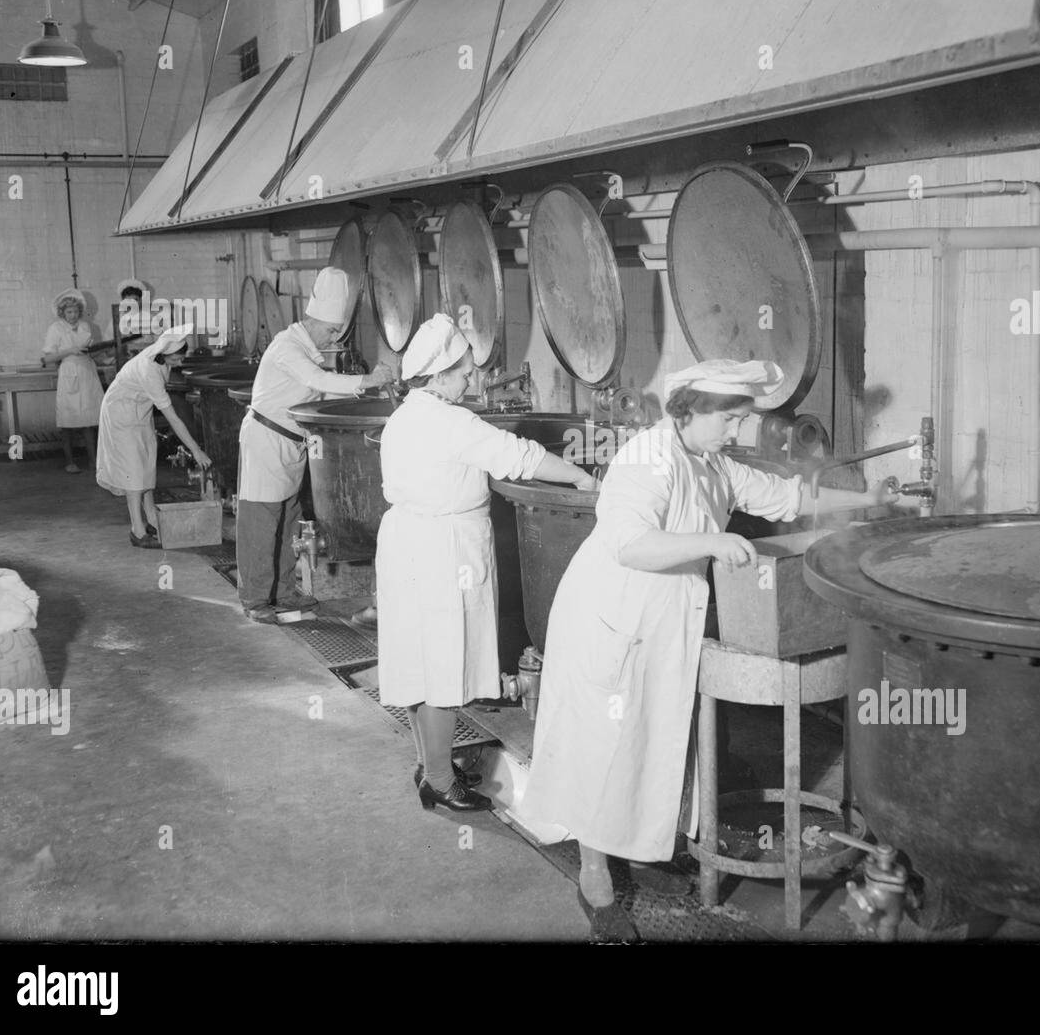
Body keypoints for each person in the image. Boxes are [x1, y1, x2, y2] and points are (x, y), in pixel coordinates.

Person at [520, 359, 894, 940]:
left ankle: (641, 853)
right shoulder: (647, 457)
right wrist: (714, 541)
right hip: (616, 614)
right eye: (731, 419)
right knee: (608, 745)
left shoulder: (711, 460)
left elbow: (786, 496)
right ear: (689, 409)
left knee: (655, 739)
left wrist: (871, 498)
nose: (738, 432)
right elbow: (629, 544)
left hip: (668, 618)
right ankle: (595, 875)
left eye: (742, 419)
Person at [377, 312, 597, 813]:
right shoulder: (452, 422)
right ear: (438, 376)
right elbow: (522, 457)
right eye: (462, 373)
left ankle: (430, 762)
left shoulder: (406, 414)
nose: (471, 380)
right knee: (445, 670)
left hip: (407, 545)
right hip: (443, 551)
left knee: (421, 664)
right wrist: (582, 480)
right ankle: (437, 780)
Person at [236, 268, 397, 624]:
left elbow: (320, 392)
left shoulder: (307, 348)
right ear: (311, 320)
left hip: (291, 443)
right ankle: (256, 600)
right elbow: (317, 380)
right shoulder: (287, 347)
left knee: (288, 520)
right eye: (328, 329)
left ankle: (284, 592)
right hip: (266, 441)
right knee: (262, 522)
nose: (331, 336)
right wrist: (369, 380)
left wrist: (364, 392)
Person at [95, 323, 211, 548]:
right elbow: (173, 418)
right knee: (134, 471)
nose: (180, 363)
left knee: (146, 464)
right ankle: (137, 531)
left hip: (139, 411)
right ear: (164, 355)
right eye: (176, 359)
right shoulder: (149, 370)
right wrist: (195, 450)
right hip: (121, 414)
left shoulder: (159, 358)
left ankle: (151, 519)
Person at [41, 289, 103, 474]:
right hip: (69, 373)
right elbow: (48, 358)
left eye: (76, 311)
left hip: (87, 373)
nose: (73, 315)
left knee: (89, 422)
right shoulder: (55, 328)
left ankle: (94, 462)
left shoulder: (85, 326)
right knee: (67, 422)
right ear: (62, 312)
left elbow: (89, 349)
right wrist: (70, 350)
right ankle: (70, 462)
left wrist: (101, 352)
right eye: (69, 312)